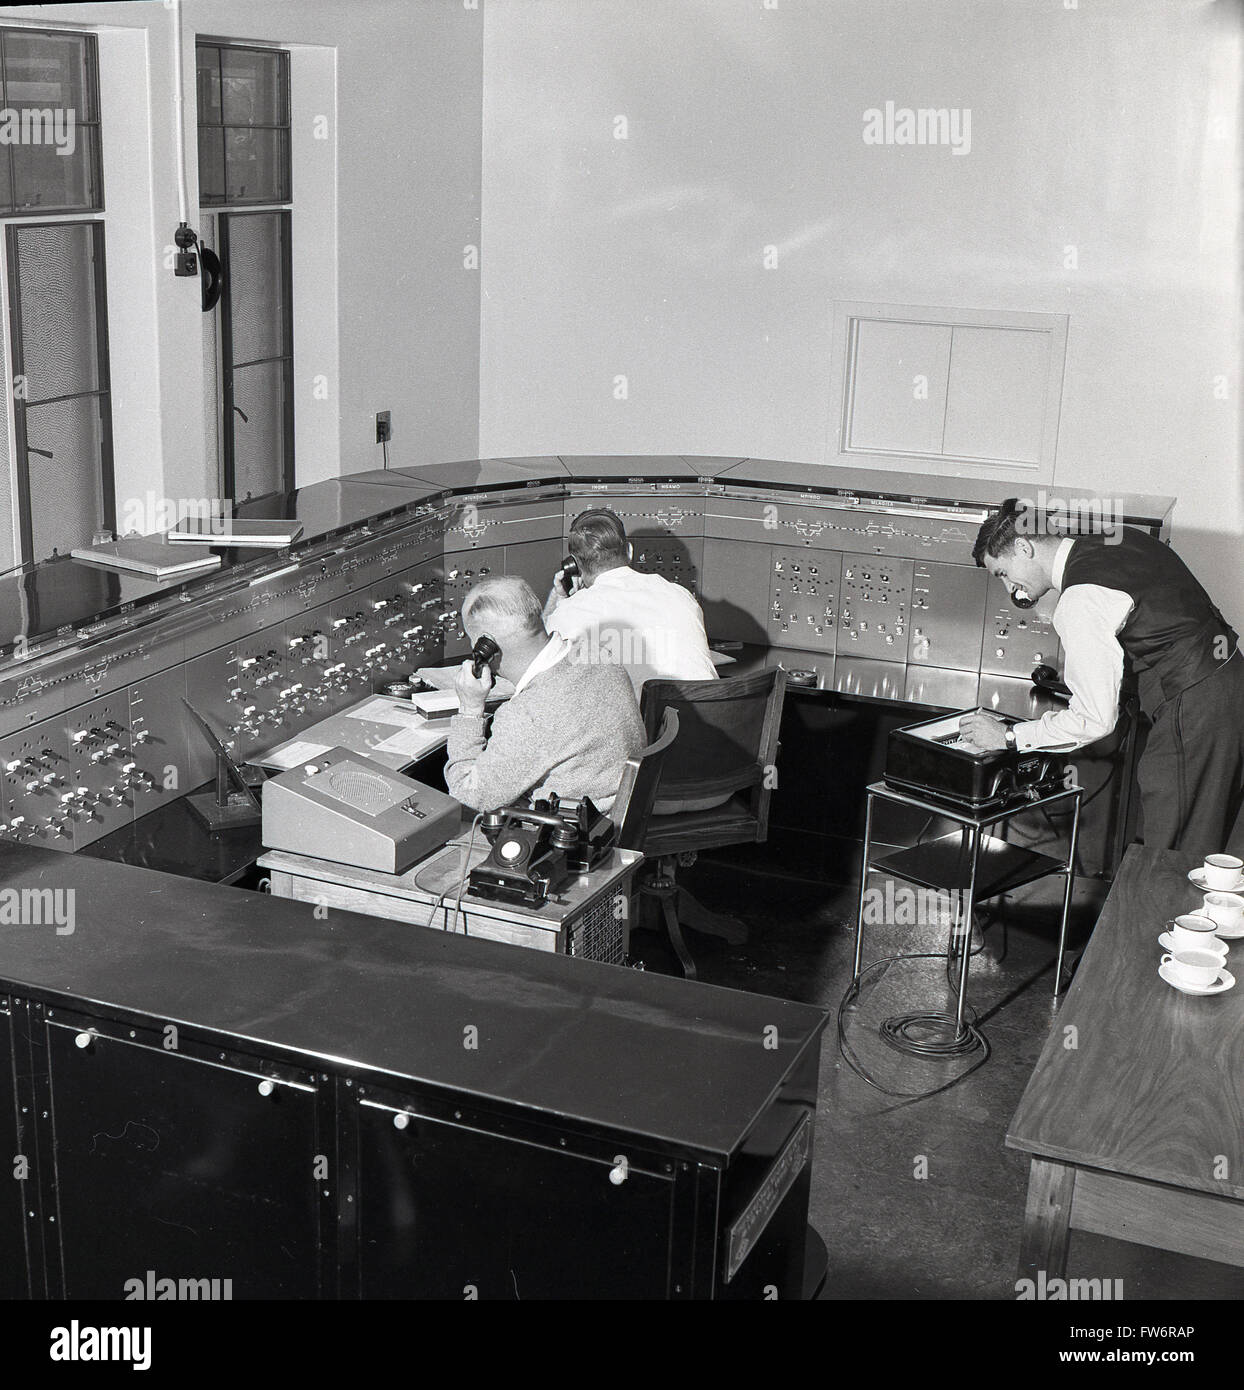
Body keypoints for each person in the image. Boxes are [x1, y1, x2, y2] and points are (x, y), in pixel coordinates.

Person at [961, 498, 1244, 856]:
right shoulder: (1121, 537)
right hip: (1231, 679)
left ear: (1023, 547)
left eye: (1002, 573)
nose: (1010, 589)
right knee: (1221, 844)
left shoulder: (1079, 600)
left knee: (1173, 852)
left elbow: (1094, 721)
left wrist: (1009, 736)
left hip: (1194, 710)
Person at [443, 575, 644, 813]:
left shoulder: (528, 714)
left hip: (566, 837)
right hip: (614, 811)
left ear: (485, 648)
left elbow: (466, 797)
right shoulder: (597, 654)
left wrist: (470, 711)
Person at [542, 508, 718, 699]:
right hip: (717, 721)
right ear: (630, 551)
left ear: (573, 564)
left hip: (650, 727)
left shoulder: (572, 612)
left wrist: (559, 600)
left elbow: (538, 664)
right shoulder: (680, 595)